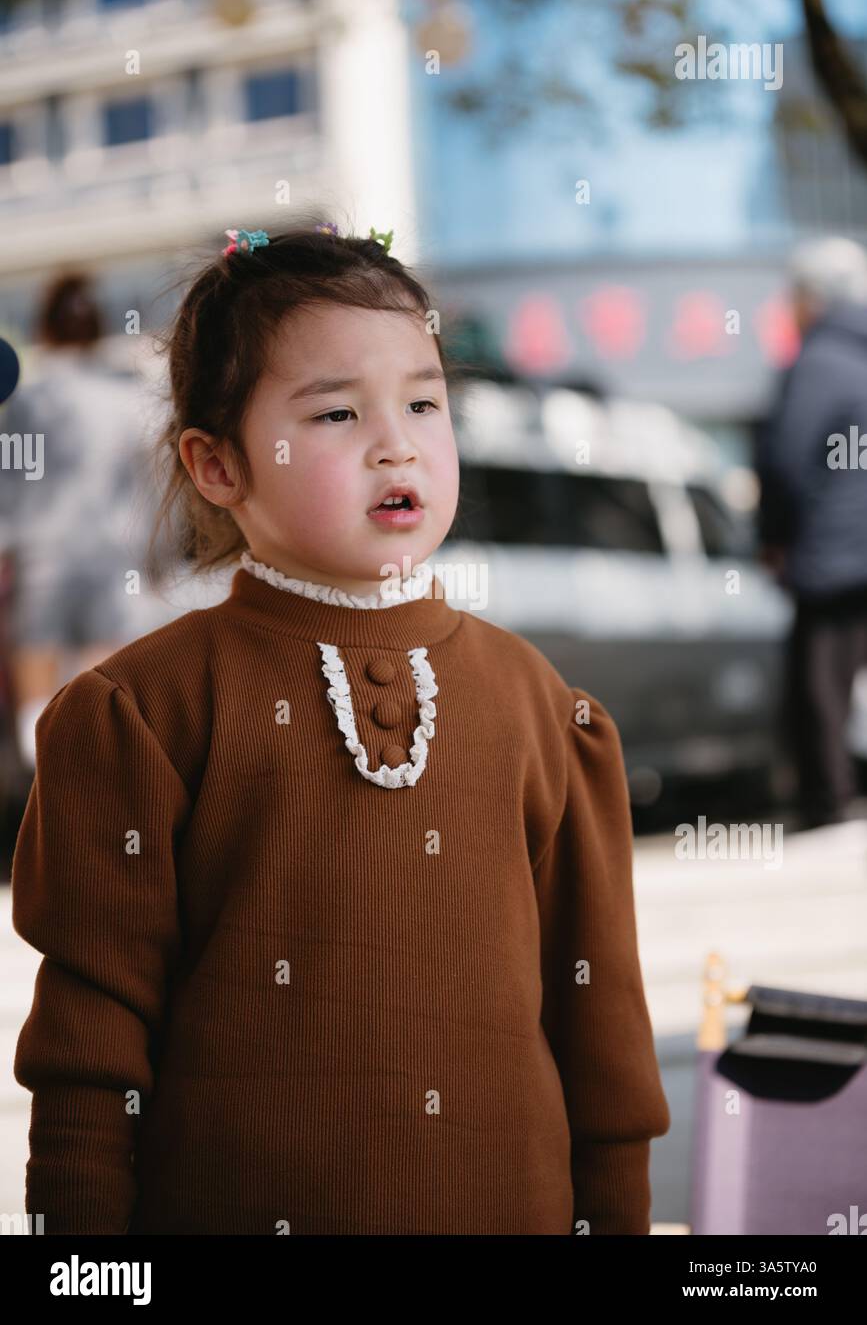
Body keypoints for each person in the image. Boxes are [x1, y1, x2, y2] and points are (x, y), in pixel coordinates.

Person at [11, 215, 670, 1236]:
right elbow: (89, 1061)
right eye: (334, 416)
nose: (396, 441)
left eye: (422, 402)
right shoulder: (142, 712)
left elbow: (603, 1039)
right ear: (218, 466)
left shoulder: (544, 710)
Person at [0, 270, 178, 770]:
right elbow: (157, 488)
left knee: (37, 678)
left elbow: (11, 487)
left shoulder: (29, 399)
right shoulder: (132, 396)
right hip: (117, 556)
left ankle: (45, 787)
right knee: (106, 688)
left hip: (43, 559)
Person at [757, 236, 867, 830]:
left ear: (812, 299)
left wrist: (774, 537)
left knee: (819, 685)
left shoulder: (817, 362)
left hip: (834, 557)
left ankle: (826, 805)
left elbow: (786, 459)